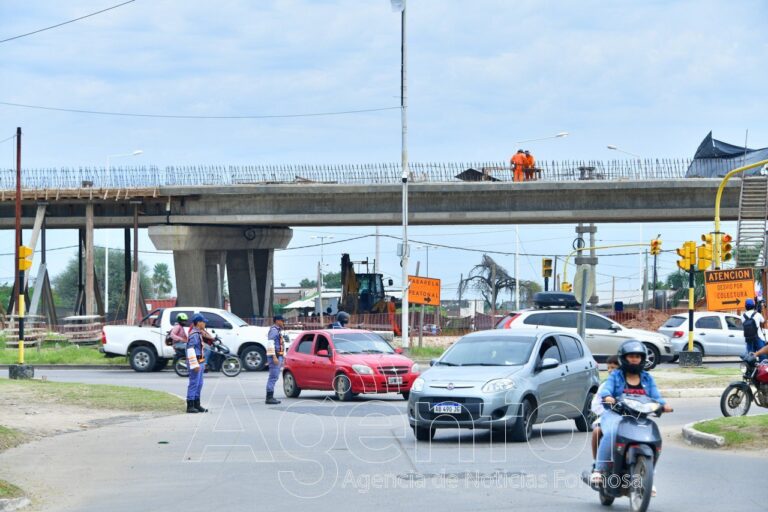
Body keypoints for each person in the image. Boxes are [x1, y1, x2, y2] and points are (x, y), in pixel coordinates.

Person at [592, 340, 672, 485]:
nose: (634, 359)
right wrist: (608, 396)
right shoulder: (616, 375)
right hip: (616, 415)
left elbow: (656, 395)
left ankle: (648, 478)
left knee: (653, 439)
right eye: (631, 356)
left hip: (639, 417)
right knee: (611, 434)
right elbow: (607, 389)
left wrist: (664, 405)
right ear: (624, 358)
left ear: (642, 358)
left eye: (638, 356)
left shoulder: (647, 377)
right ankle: (599, 469)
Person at [590, 355, 620, 462]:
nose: (610, 370)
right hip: (608, 416)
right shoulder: (605, 385)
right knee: (597, 432)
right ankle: (597, 463)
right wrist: (607, 410)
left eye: (613, 367)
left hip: (628, 418)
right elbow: (595, 404)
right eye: (608, 368)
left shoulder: (629, 382)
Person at [186, 313, 209, 414]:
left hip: (200, 361)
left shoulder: (199, 333)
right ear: (198, 322)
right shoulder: (194, 334)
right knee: (194, 383)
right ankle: (190, 405)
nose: (204, 323)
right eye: (203, 322)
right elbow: (190, 349)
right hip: (195, 362)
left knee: (199, 384)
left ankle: (197, 404)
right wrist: (194, 364)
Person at [265, 314, 286, 404]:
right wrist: (274, 357)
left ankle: (270, 396)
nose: (283, 323)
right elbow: (270, 343)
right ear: (277, 321)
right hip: (275, 356)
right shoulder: (274, 330)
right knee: (273, 377)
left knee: (274, 376)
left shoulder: (277, 330)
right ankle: (269, 397)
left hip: (278, 355)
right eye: (282, 321)